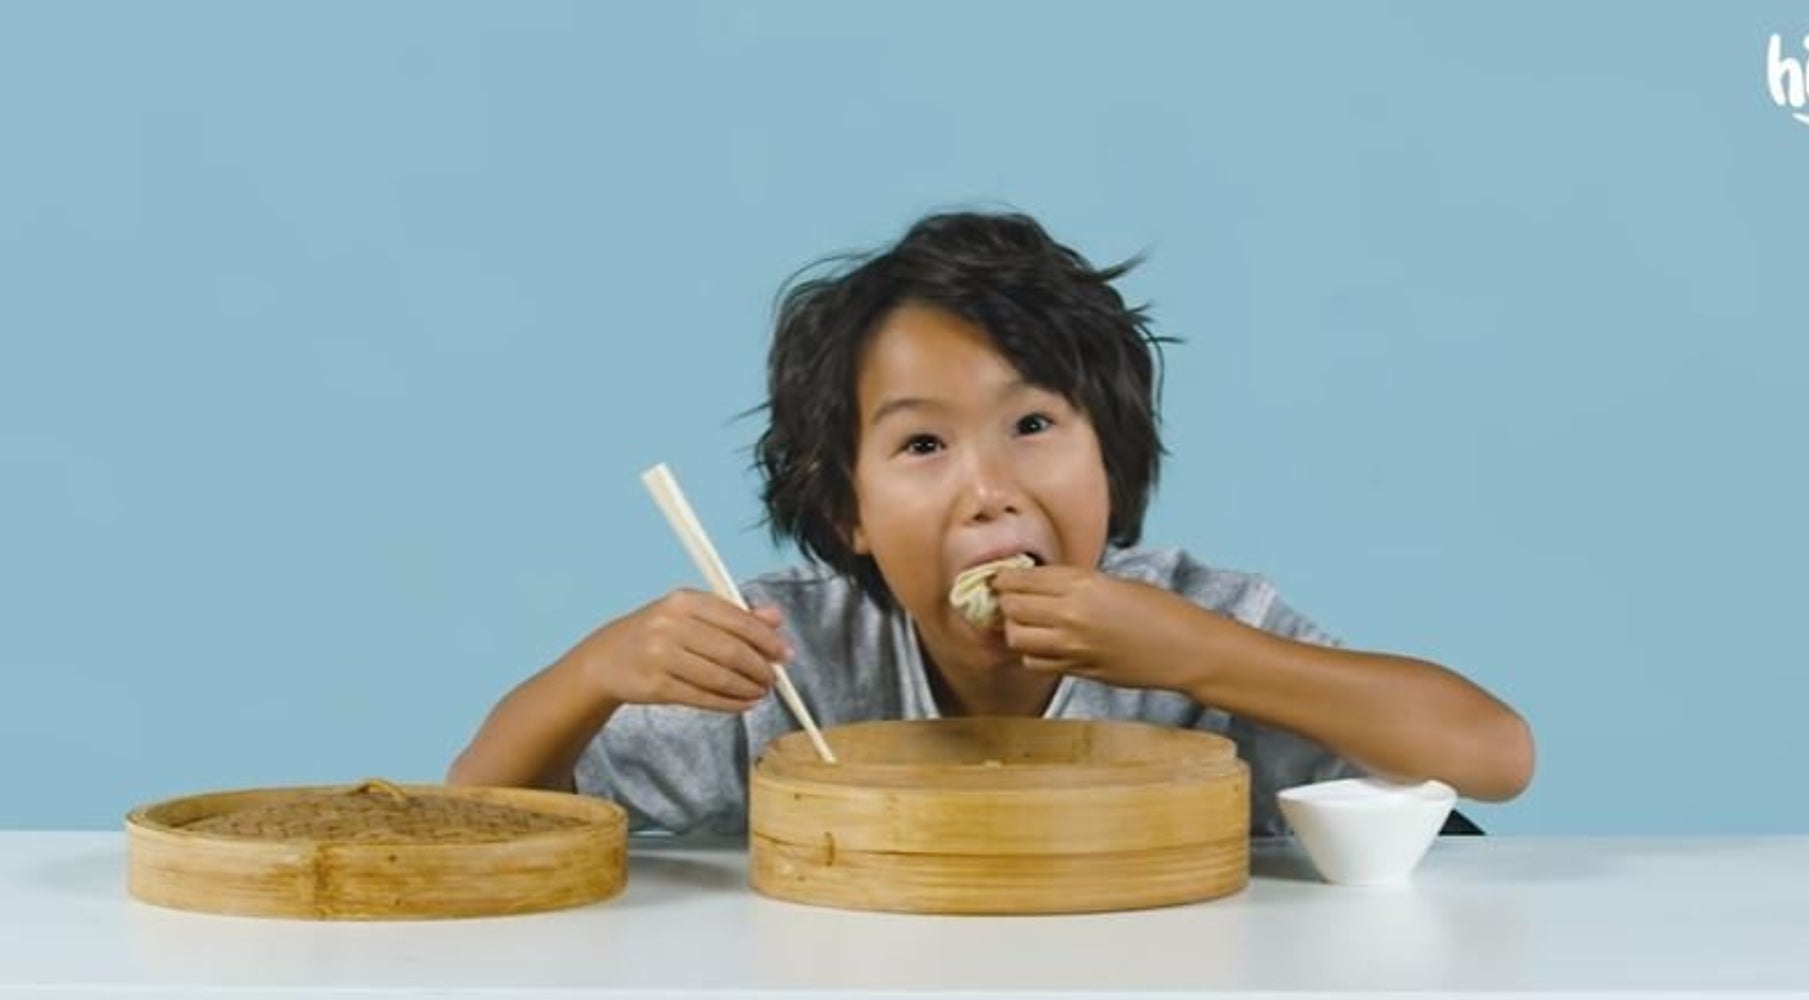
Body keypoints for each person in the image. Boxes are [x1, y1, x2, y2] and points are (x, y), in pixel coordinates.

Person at [448, 211, 1534, 835]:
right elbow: (481, 815)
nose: (989, 487)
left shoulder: (1198, 624)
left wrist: (1203, 653)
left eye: (1032, 423)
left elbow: (1493, 754)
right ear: (846, 507)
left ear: (1110, 454)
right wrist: (594, 671)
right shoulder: (782, 662)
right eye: (923, 445)